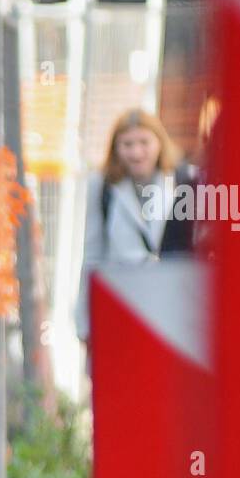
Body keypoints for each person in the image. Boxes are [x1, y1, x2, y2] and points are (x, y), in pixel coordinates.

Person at [74, 107, 198, 359]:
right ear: (116, 149)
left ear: (159, 143)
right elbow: (93, 257)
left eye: (144, 142)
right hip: (124, 307)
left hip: (172, 310)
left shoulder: (185, 181)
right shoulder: (104, 186)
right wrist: (85, 322)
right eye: (127, 144)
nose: (136, 152)